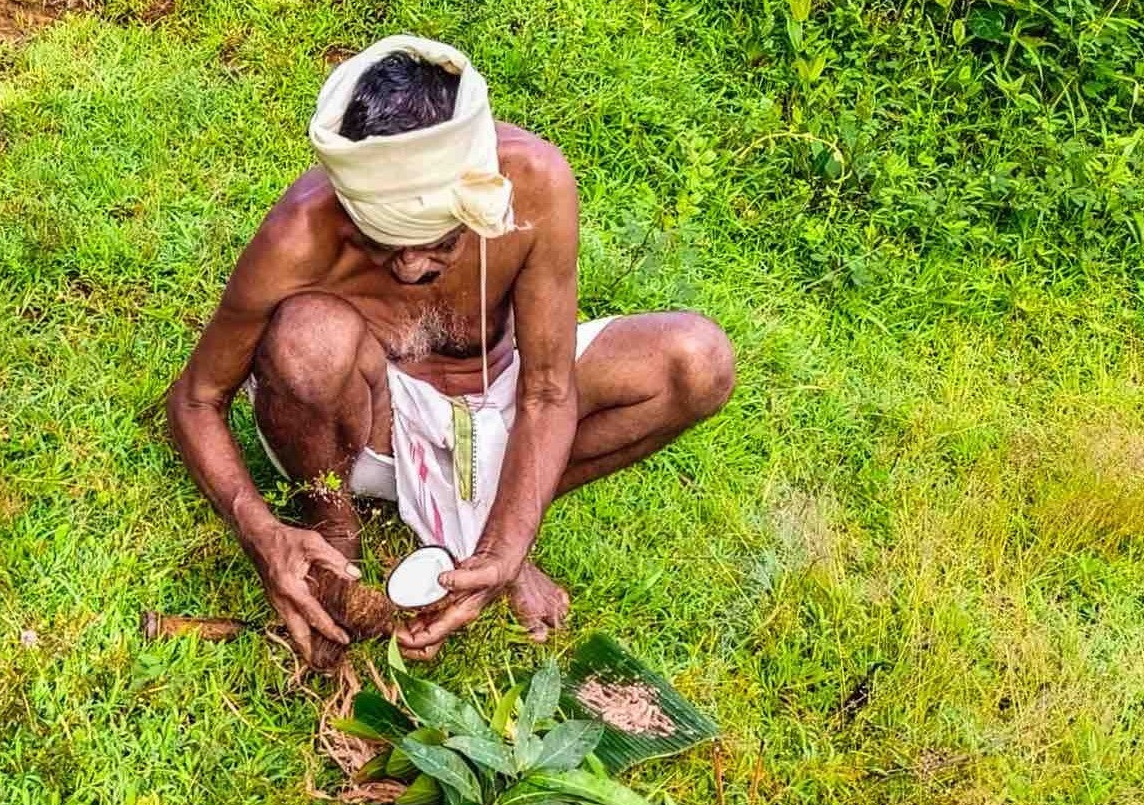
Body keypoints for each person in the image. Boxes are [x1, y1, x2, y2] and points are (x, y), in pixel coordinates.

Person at [164, 37, 737, 669]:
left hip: (501, 398)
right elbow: (195, 399)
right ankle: (335, 536)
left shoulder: (536, 183)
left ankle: (483, 537)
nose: (409, 269)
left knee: (697, 358)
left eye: (439, 242)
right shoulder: (301, 230)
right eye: (383, 243)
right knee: (307, 339)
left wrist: (508, 546)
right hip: (370, 427)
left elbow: (547, 390)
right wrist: (262, 532)